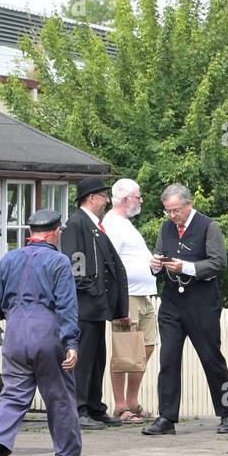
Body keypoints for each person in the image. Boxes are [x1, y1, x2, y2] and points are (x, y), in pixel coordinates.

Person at [0, 209, 84, 456]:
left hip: (15, 334)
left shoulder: (9, 259)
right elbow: (66, 305)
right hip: (48, 334)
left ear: (30, 234)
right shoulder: (59, 262)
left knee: (13, 394)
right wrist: (71, 342)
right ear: (55, 232)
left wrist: (11, 313)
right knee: (59, 397)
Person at [142, 183, 228, 436]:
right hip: (172, 301)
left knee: (211, 358)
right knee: (168, 359)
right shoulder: (166, 227)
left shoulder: (209, 226)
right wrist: (155, 264)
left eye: (176, 210)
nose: (173, 216)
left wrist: (186, 267)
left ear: (189, 204)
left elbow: (218, 263)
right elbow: (160, 256)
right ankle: (166, 417)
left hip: (202, 302)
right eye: (168, 211)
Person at [61, 177, 129, 430]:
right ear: (91, 198)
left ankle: (94, 406)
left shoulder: (92, 225)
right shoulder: (77, 224)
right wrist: (90, 289)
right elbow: (75, 262)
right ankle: (78, 409)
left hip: (96, 306)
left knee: (97, 357)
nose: (107, 200)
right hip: (85, 305)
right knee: (84, 357)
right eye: (103, 196)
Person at [102, 178, 159, 424]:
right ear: (126, 200)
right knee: (125, 350)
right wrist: (118, 304)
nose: (141, 200)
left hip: (144, 293)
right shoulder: (113, 224)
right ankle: (121, 405)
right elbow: (110, 264)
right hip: (128, 296)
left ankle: (133, 401)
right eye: (138, 196)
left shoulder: (126, 224)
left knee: (147, 346)